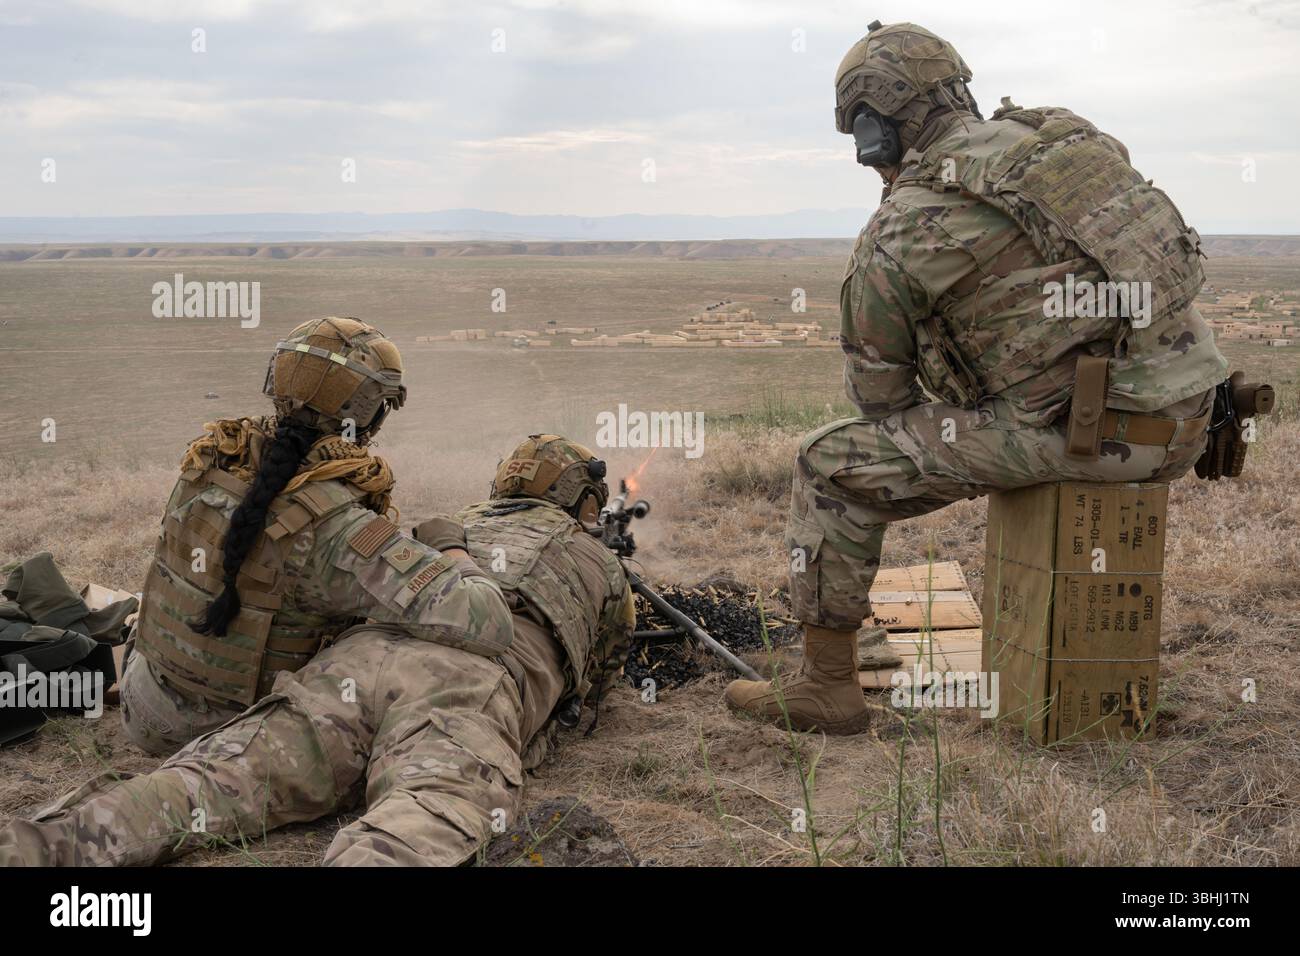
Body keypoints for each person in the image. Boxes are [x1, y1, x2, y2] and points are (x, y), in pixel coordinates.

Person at [724, 21, 1227, 735]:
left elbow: (880, 400)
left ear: (874, 129)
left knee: (828, 466)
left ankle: (827, 687)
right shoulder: (1062, 141)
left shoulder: (904, 229)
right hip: (1194, 420)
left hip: (1102, 439)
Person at [0, 435, 634, 867]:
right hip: (467, 683)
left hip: (355, 664)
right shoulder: (600, 560)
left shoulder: (455, 523)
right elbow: (593, 690)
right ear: (582, 500)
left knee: (200, 786)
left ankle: (36, 848)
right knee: (418, 826)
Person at [118, 316, 509, 755]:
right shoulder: (336, 527)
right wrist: (449, 546)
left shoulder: (210, 459)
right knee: (391, 646)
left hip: (143, 706)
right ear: (371, 413)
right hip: (229, 743)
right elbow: (489, 624)